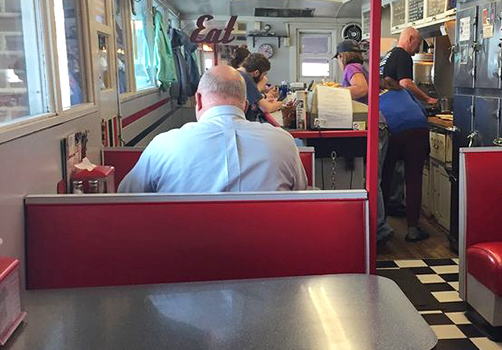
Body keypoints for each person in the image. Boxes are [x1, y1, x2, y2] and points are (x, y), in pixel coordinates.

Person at [119, 65, 307, 193]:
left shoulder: (164, 145)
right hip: (268, 249)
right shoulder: (283, 142)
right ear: (246, 105)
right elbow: (299, 193)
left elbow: (126, 196)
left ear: (198, 100)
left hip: (181, 250)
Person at [334, 38, 393, 245]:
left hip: (375, 126)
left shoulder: (351, 67)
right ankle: (377, 227)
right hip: (379, 126)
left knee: (371, 179)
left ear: (342, 57)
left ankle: (379, 231)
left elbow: (361, 89)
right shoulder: (362, 66)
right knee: (372, 179)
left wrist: (332, 93)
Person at [379, 77, 430, 242]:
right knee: (414, 180)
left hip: (393, 132)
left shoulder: (375, 97)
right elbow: (422, 111)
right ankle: (413, 229)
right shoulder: (405, 92)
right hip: (419, 129)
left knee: (384, 178)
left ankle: (382, 226)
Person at [380, 26, 438, 107]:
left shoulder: (390, 54)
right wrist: (428, 99)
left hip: (382, 103)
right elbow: (406, 84)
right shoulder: (403, 55)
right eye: (418, 44)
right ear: (410, 39)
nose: (418, 50)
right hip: (392, 105)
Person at [239, 53, 283, 122]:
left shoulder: (237, 74)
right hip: (244, 123)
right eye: (264, 74)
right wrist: (280, 104)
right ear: (256, 73)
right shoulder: (247, 79)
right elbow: (267, 108)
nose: (264, 77)